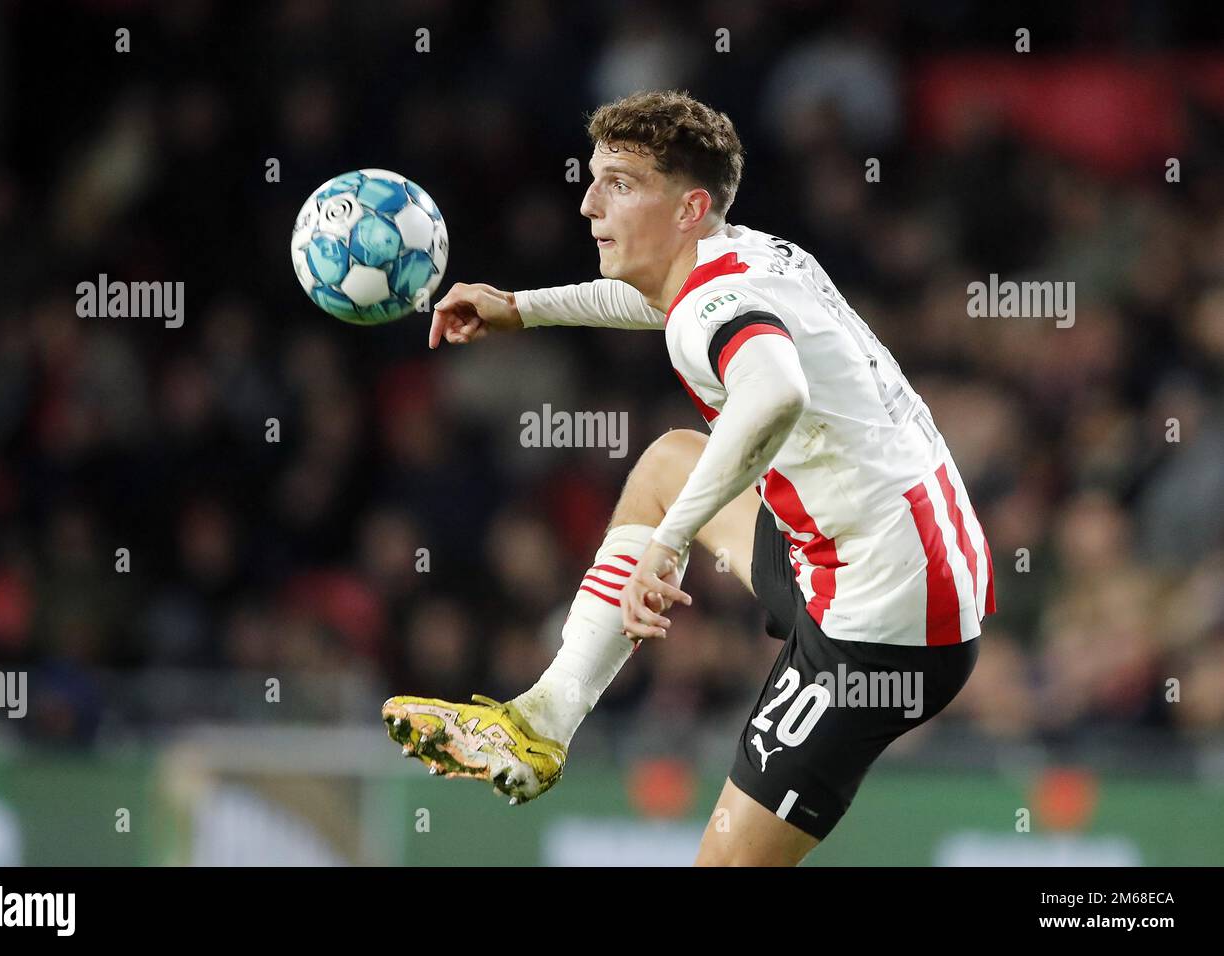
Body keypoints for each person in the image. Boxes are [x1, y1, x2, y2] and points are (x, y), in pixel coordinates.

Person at [382, 89, 994, 866]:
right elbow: (665, 304)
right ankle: (542, 721)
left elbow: (775, 391)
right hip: (892, 557)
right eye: (594, 180)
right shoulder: (751, 255)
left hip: (884, 624)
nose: (588, 205)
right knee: (670, 461)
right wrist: (520, 308)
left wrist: (666, 546)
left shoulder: (711, 304)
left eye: (619, 184)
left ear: (689, 208)